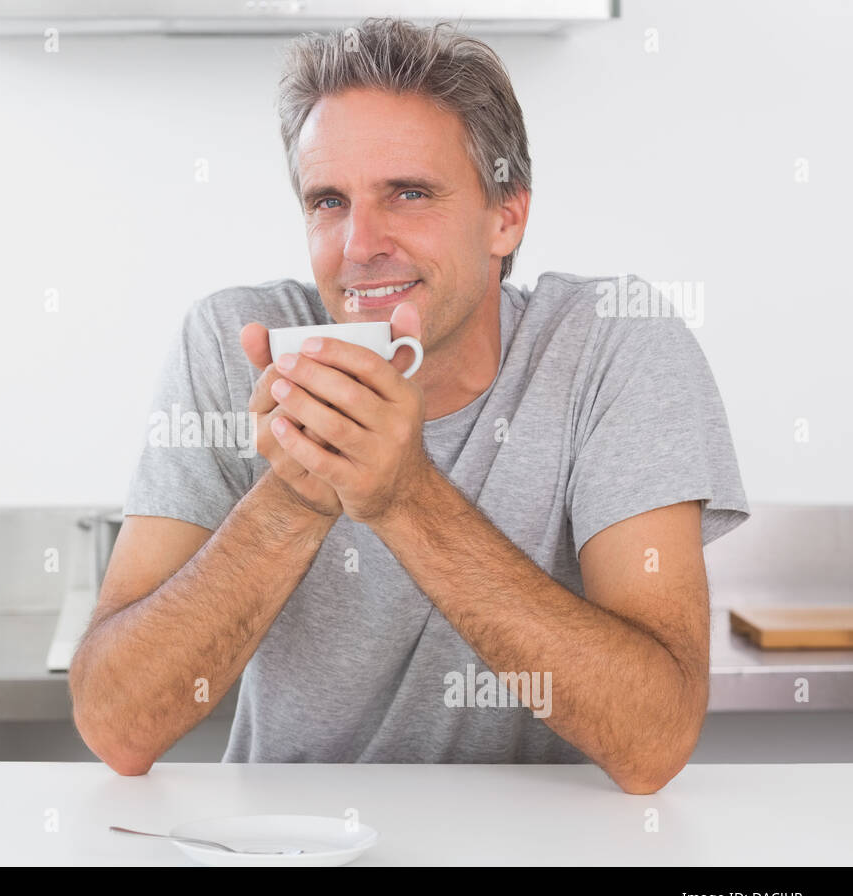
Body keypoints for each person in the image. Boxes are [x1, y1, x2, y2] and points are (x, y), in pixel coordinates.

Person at [69, 18, 749, 794]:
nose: (360, 242)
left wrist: (405, 497)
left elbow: (654, 738)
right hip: (292, 847)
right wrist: (294, 494)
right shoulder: (230, 345)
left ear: (507, 216)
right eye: (329, 201)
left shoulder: (613, 346)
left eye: (410, 193)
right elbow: (117, 727)